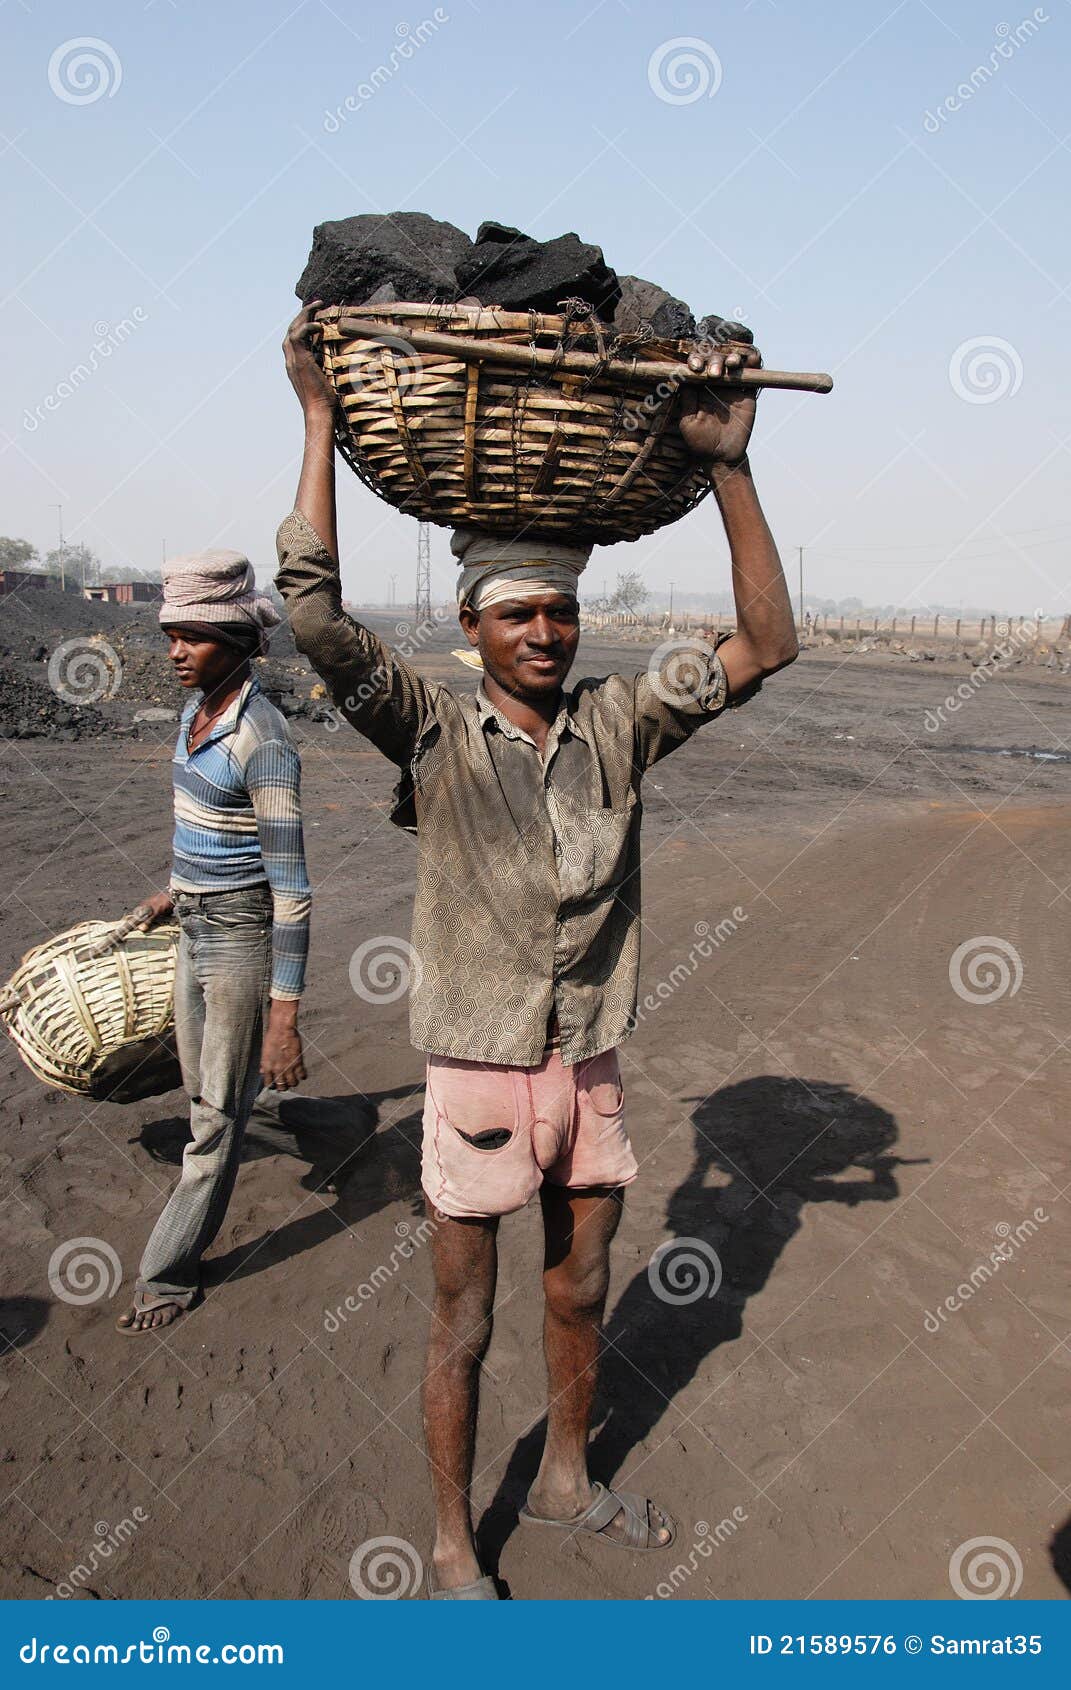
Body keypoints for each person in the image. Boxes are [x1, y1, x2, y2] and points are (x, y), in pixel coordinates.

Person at [276, 304, 798, 1598]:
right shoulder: (434, 736)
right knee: (463, 1317)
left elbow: (765, 644)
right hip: (475, 1075)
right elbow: (317, 620)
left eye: (559, 611)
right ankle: (455, 1541)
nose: (546, 631)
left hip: (592, 1064)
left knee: (580, 1290)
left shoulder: (621, 726)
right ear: (474, 624)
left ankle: (564, 1475)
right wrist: (319, 419)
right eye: (518, 612)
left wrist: (727, 462)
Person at [117, 550, 311, 1333]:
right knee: (202, 1093)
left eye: (191, 637)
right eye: (171, 634)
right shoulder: (192, 715)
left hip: (237, 939)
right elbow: (207, 831)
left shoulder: (262, 737)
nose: (174, 651)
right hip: (194, 923)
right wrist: (172, 893)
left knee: (214, 1122)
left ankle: (165, 1278)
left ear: (235, 642)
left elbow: (292, 888)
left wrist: (284, 1016)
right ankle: (241, 1102)